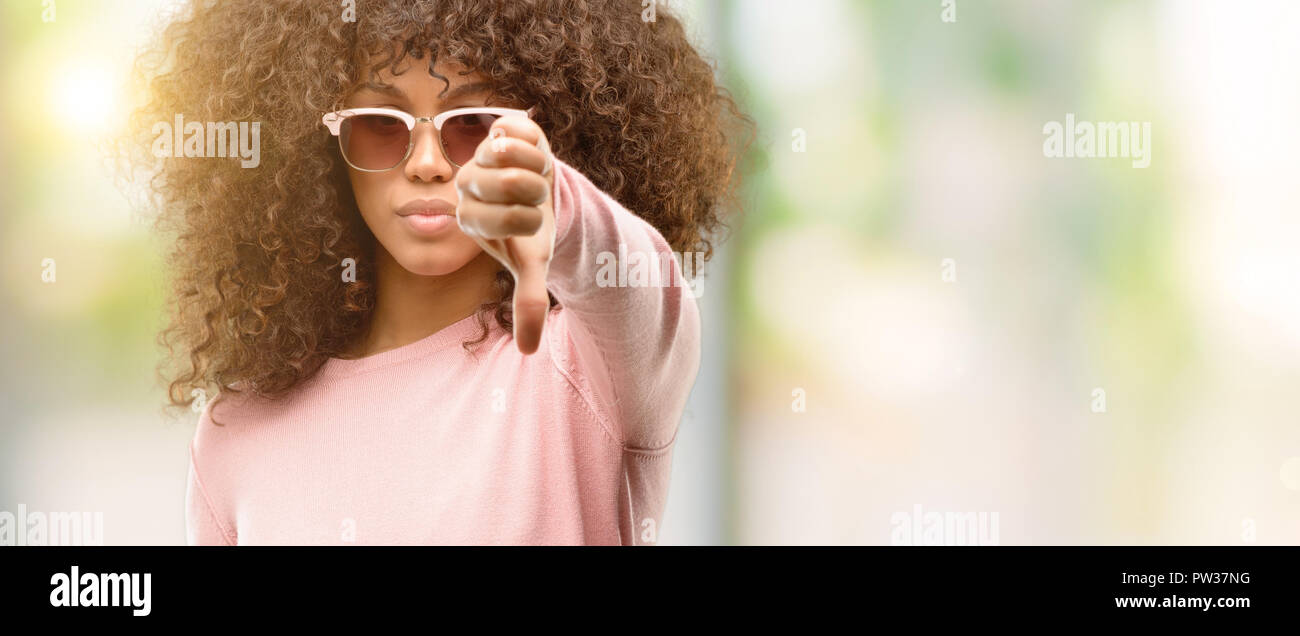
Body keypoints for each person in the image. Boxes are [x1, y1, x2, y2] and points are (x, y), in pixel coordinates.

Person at [120, 0, 753, 544]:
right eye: (379, 125)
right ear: (315, 148)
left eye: (474, 126)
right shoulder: (239, 433)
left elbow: (646, 290)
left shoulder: (587, 371)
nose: (427, 163)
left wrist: (556, 204)